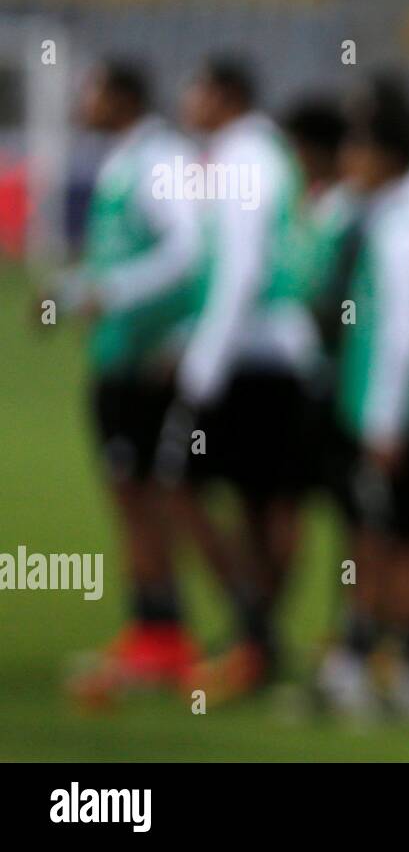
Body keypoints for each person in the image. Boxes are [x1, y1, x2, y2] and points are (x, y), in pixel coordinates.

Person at [157, 55, 315, 700]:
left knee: (192, 484)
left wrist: (201, 363)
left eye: (194, 87)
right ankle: (257, 631)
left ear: (224, 94)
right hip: (264, 352)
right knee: (257, 497)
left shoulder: (247, 159)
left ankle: (255, 625)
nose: (187, 100)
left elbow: (241, 269)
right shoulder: (254, 155)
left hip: (257, 355)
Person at [61, 59, 204, 705]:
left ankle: (164, 634)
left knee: (142, 494)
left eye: (91, 86)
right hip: (122, 355)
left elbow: (185, 249)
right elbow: (121, 255)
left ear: (119, 94)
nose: (81, 99)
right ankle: (151, 627)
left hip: (147, 360)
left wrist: (109, 293)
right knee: (134, 494)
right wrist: (68, 296)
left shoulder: (156, 160)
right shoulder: (131, 159)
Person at [322, 90, 409, 718]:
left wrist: (382, 422)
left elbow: (403, 333)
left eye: (358, 144)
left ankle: (369, 666)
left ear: (385, 153)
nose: (348, 157)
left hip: (393, 414)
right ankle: (401, 669)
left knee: (381, 539)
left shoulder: (406, 226)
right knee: (400, 535)